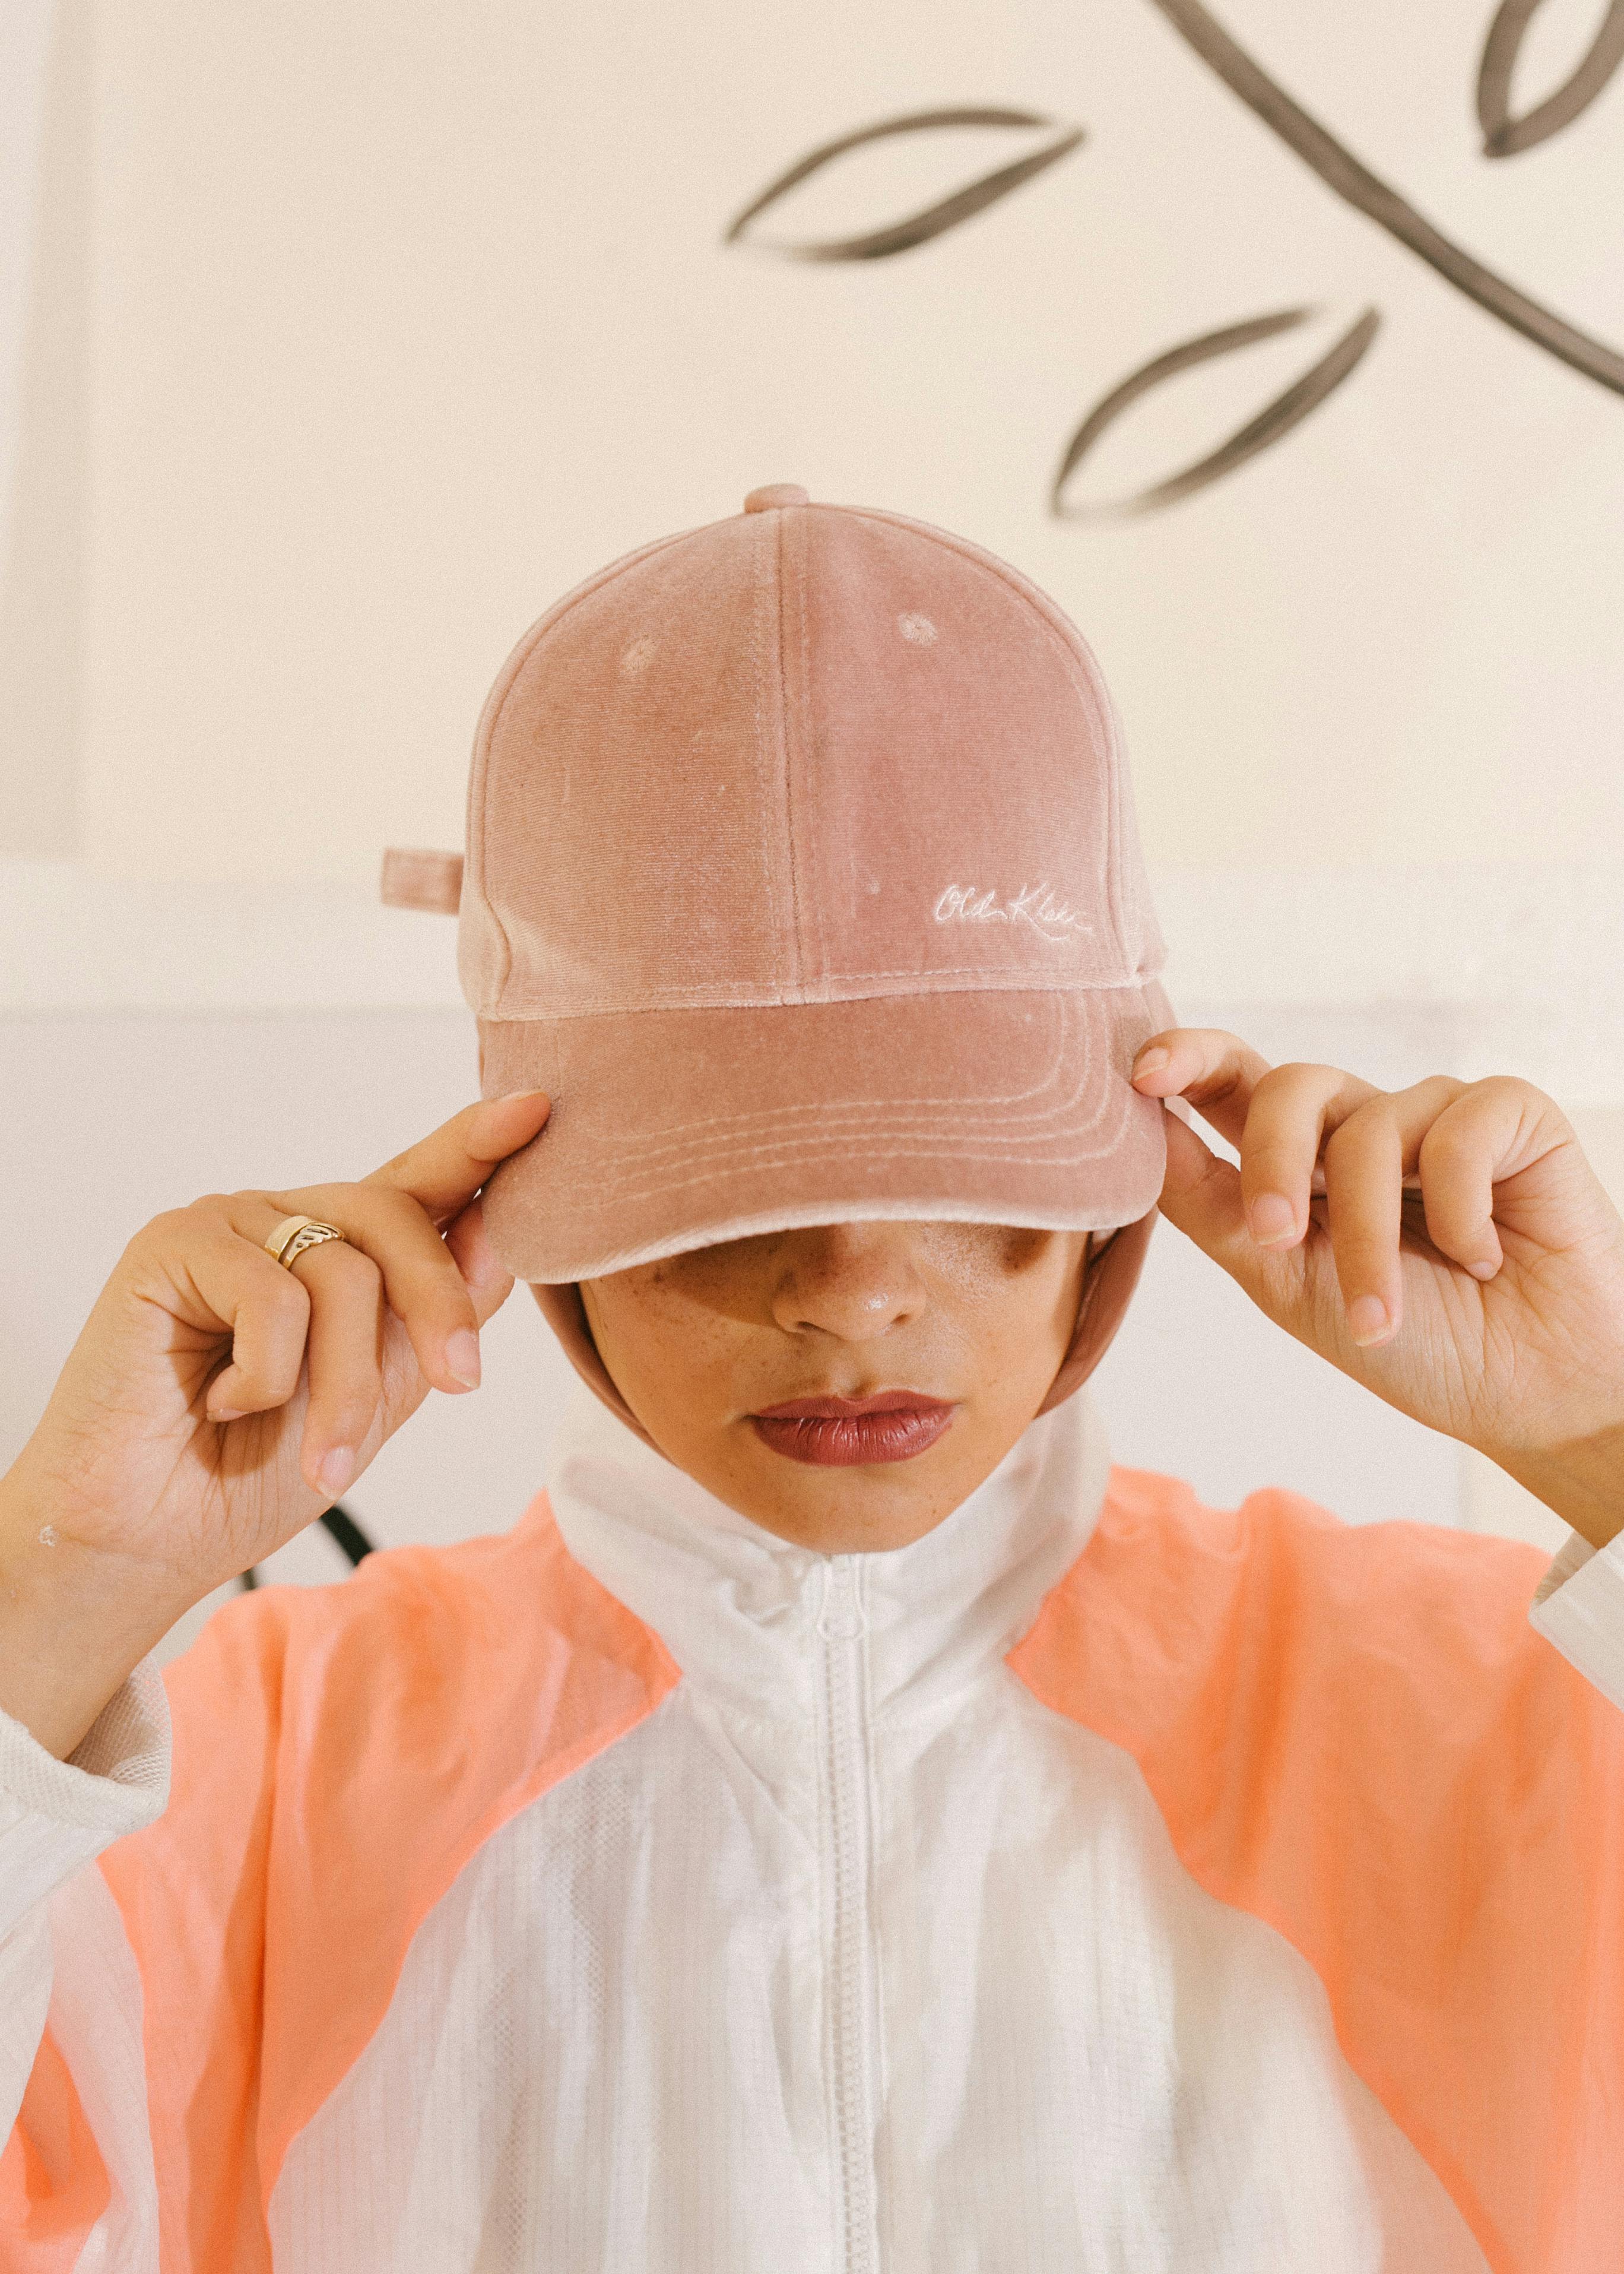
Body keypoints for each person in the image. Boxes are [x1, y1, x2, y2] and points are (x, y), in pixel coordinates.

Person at [2, 486, 1622, 2272]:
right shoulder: (240, 1781)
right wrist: (55, 1585)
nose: (852, 1296)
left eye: (959, 1165)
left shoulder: (1494, 1717)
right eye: (727, 1186)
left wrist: (1607, 1438)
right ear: (512, 1191)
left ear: (1139, 1145)